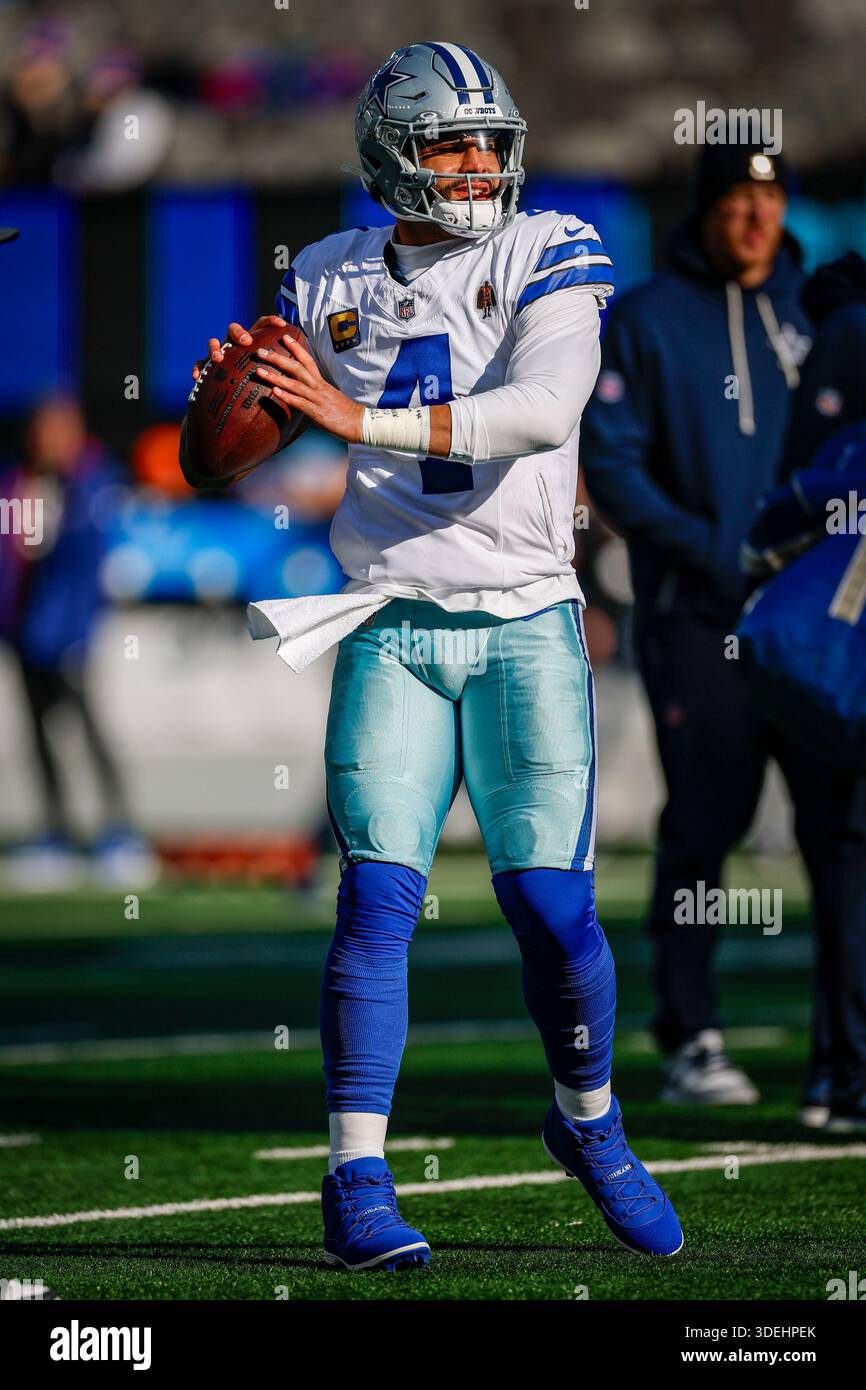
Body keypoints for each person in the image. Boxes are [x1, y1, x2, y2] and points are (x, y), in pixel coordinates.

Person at [190, 41, 683, 1269]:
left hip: (524, 621)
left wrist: (360, 419)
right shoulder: (324, 278)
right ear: (389, 157)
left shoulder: (549, 248)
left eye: (488, 144)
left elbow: (543, 411)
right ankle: (355, 1175)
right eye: (450, 144)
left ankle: (588, 1122)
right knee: (374, 904)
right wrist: (227, 415)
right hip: (393, 620)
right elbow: (234, 447)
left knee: (550, 907)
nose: (476, 167)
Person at [581, 143, 817, 1107]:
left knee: (842, 834)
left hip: (816, 626)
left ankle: (843, 1051)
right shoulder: (642, 319)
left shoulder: (823, 315)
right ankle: (691, 1032)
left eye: (770, 198)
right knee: (705, 826)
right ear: (704, 210)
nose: (756, 217)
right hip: (696, 620)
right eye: (736, 199)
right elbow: (615, 464)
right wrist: (712, 551)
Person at [0, 396, 156, 889]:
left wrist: (75, 630)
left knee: (88, 731)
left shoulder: (91, 484)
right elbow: (13, 558)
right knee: (39, 735)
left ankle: (120, 833)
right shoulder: (19, 483)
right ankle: (55, 833)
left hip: (67, 633)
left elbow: (86, 568)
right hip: (24, 631)